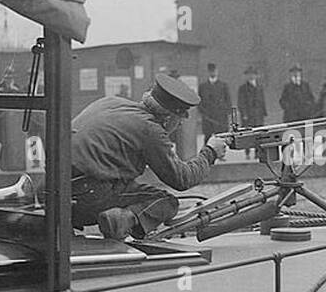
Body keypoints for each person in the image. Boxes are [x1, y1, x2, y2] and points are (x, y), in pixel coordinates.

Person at [71, 73, 228, 241]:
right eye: (179, 120)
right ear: (168, 118)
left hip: (58, 188)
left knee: (129, 187)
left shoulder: (111, 102)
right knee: (165, 201)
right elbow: (182, 179)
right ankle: (119, 221)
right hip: (87, 192)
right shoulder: (150, 130)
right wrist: (210, 152)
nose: (179, 125)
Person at [236, 66, 269, 161]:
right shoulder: (243, 88)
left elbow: (262, 100)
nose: (252, 76)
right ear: (246, 76)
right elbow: (241, 102)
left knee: (259, 134)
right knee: (248, 133)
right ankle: (247, 152)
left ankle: (257, 152)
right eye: (249, 74)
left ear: (256, 76)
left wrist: (264, 112)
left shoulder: (259, 87)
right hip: (248, 115)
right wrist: (244, 114)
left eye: (253, 74)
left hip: (258, 114)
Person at [198, 62, 232, 147]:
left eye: (214, 71)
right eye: (211, 71)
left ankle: (221, 155)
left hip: (220, 117)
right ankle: (206, 155)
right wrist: (203, 113)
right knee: (207, 137)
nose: (213, 73)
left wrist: (226, 112)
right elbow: (199, 101)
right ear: (208, 72)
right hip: (208, 117)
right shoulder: (203, 86)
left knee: (220, 137)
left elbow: (228, 101)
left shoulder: (223, 86)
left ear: (217, 72)